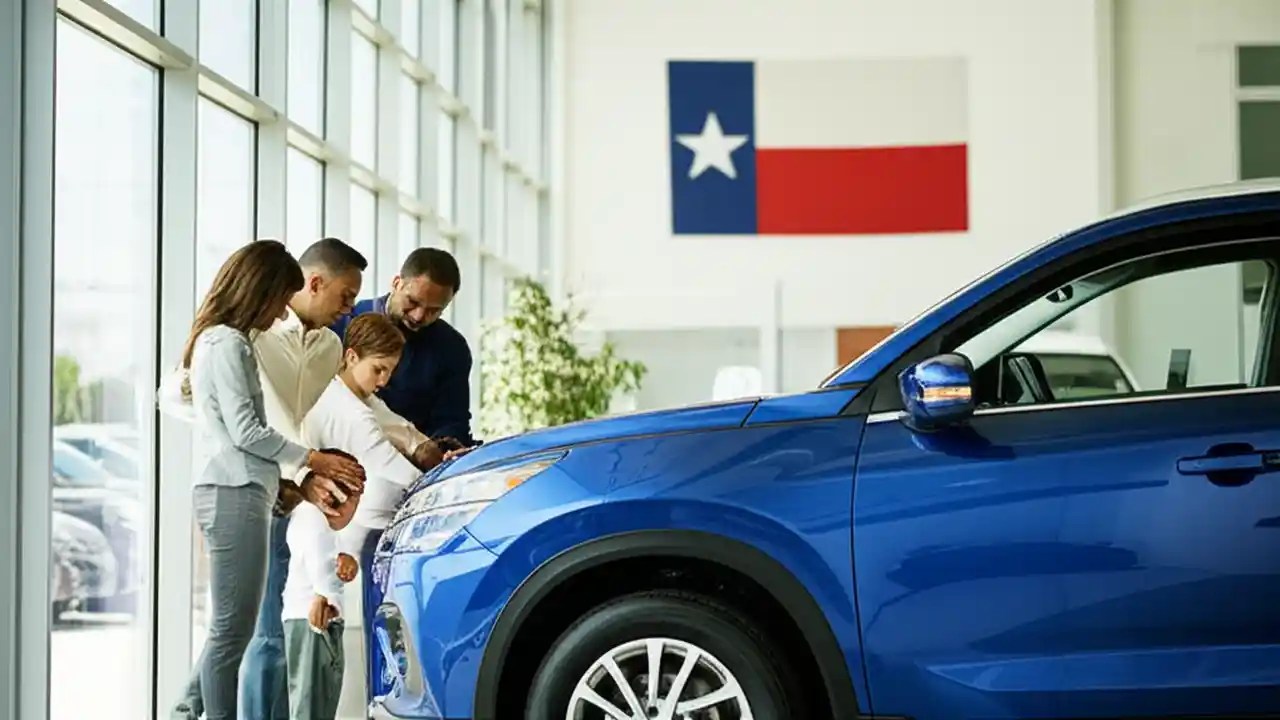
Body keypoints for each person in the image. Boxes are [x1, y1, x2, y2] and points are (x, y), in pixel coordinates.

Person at [236, 239, 445, 720]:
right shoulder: (260, 341)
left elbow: (379, 416)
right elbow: (260, 427)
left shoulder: (328, 347)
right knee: (264, 639)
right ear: (316, 283)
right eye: (347, 297)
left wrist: (422, 445)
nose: (351, 307)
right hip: (269, 494)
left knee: (285, 637)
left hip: (301, 504)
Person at [173, 240, 365, 720]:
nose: (282, 311)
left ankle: (185, 711)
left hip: (247, 491)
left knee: (231, 631)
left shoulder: (226, 341)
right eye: (280, 297)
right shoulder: (228, 343)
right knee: (231, 634)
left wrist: (285, 482)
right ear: (257, 290)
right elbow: (247, 432)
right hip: (232, 493)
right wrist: (313, 461)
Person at [331, 247, 476, 447]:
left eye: (434, 311)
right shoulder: (341, 323)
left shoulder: (452, 349)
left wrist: (445, 448)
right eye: (413, 302)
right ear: (397, 283)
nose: (418, 316)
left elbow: (451, 421)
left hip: (416, 465)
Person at [282, 462, 362, 720]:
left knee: (308, 706)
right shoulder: (313, 516)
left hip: (303, 617)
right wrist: (325, 594)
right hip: (316, 618)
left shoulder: (305, 516)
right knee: (313, 708)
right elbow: (320, 559)